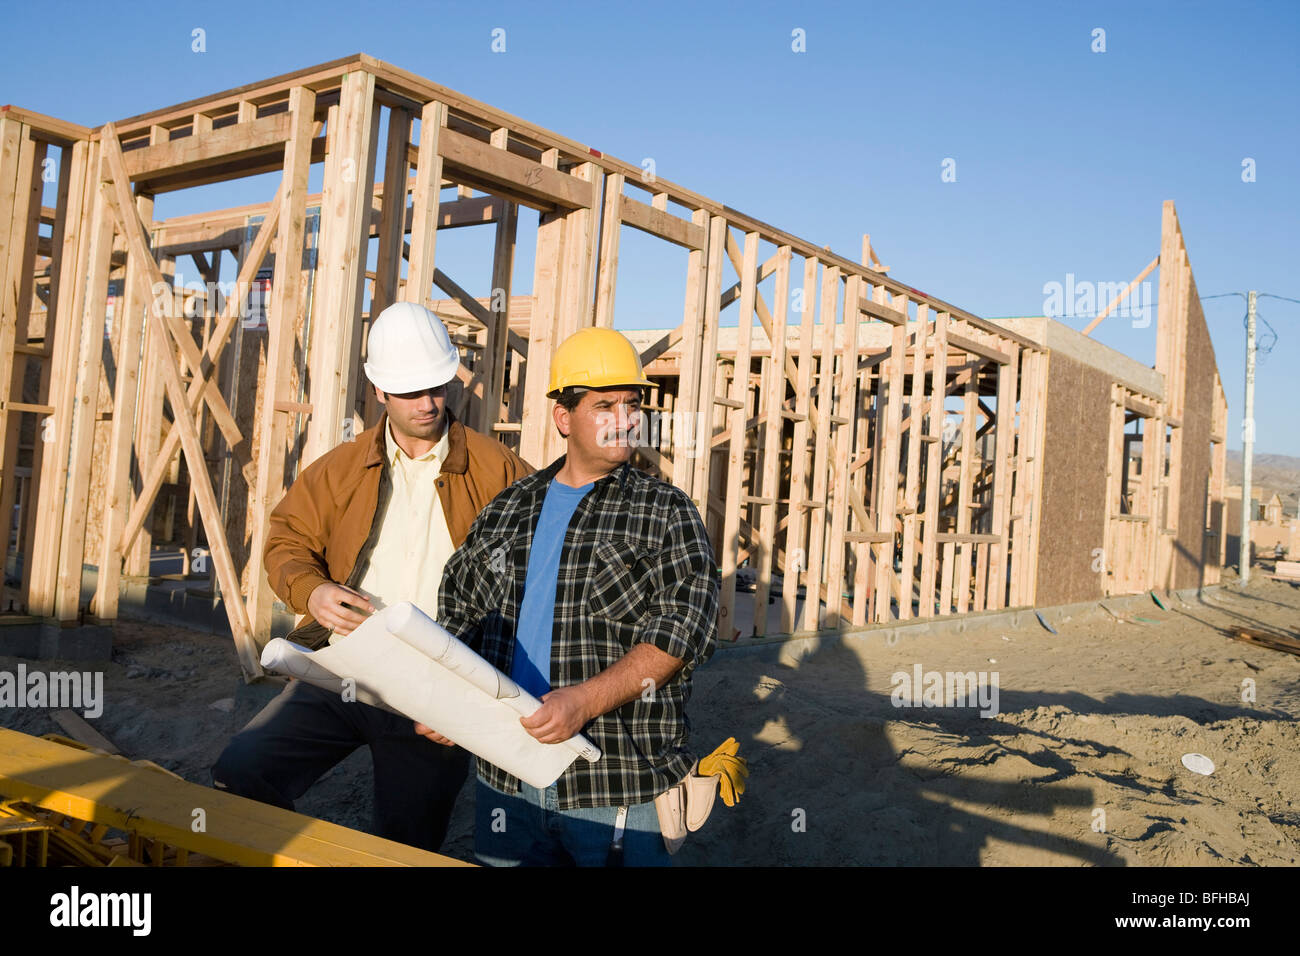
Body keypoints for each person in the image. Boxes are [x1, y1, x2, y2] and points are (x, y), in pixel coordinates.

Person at [211, 301, 532, 851]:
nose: (429, 403)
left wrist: (477, 699)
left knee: (406, 844)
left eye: (437, 387)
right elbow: (287, 541)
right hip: (342, 669)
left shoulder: (499, 470)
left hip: (436, 691)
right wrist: (313, 591)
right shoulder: (340, 468)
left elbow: (535, 582)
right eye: (411, 391)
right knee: (240, 771)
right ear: (379, 390)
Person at [433, 326, 720, 866]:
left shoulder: (666, 512)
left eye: (632, 404)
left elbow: (682, 631)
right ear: (563, 418)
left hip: (613, 780)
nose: (625, 419)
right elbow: (459, 612)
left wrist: (583, 702)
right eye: (605, 405)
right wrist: (445, 702)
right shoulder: (508, 509)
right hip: (507, 777)